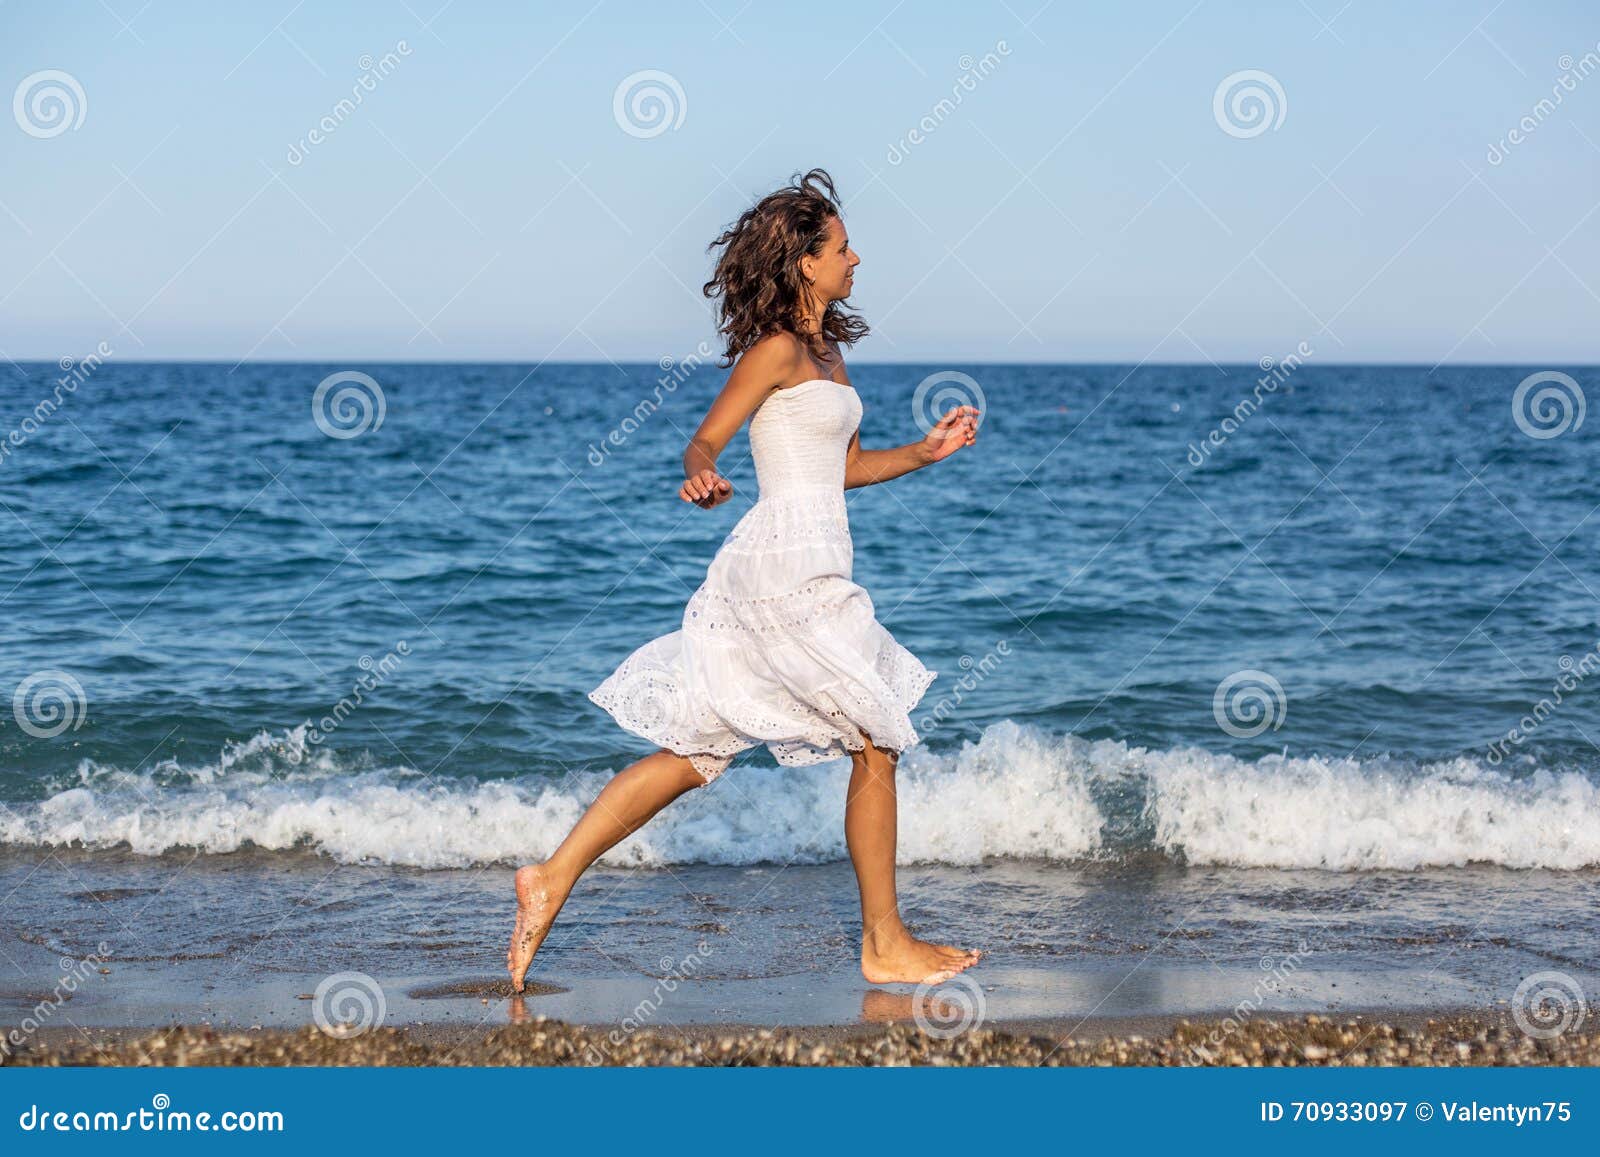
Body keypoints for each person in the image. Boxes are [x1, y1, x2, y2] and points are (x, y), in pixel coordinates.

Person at [509, 169, 981, 992]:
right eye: (841, 247)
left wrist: (924, 452)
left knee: (697, 750)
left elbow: (841, 470)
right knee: (876, 738)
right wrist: (701, 476)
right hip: (781, 574)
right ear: (804, 261)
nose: (856, 258)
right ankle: (884, 941)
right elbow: (703, 442)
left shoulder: (828, 352)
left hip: (816, 564)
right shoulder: (776, 351)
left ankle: (549, 876)